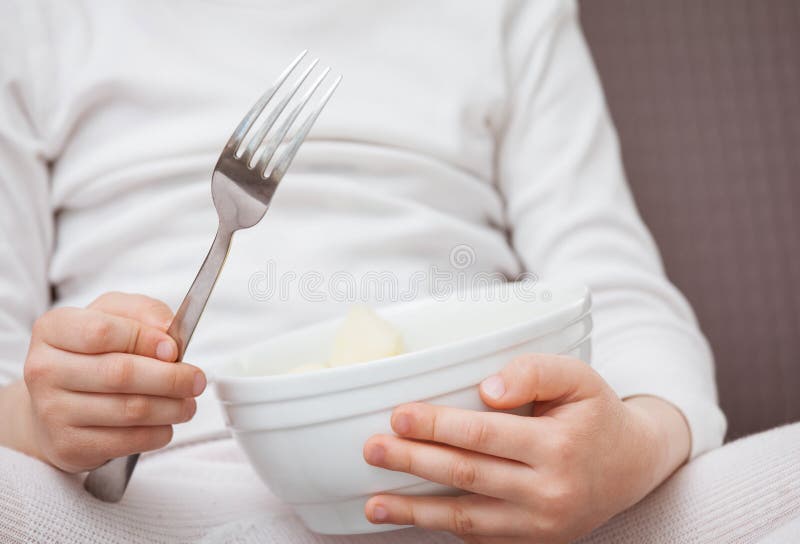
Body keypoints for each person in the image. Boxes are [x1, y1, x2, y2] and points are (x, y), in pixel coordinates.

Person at [0, 1, 796, 543]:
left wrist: (630, 450)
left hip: (487, 497)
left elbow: (619, 294)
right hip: (155, 506)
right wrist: (43, 418)